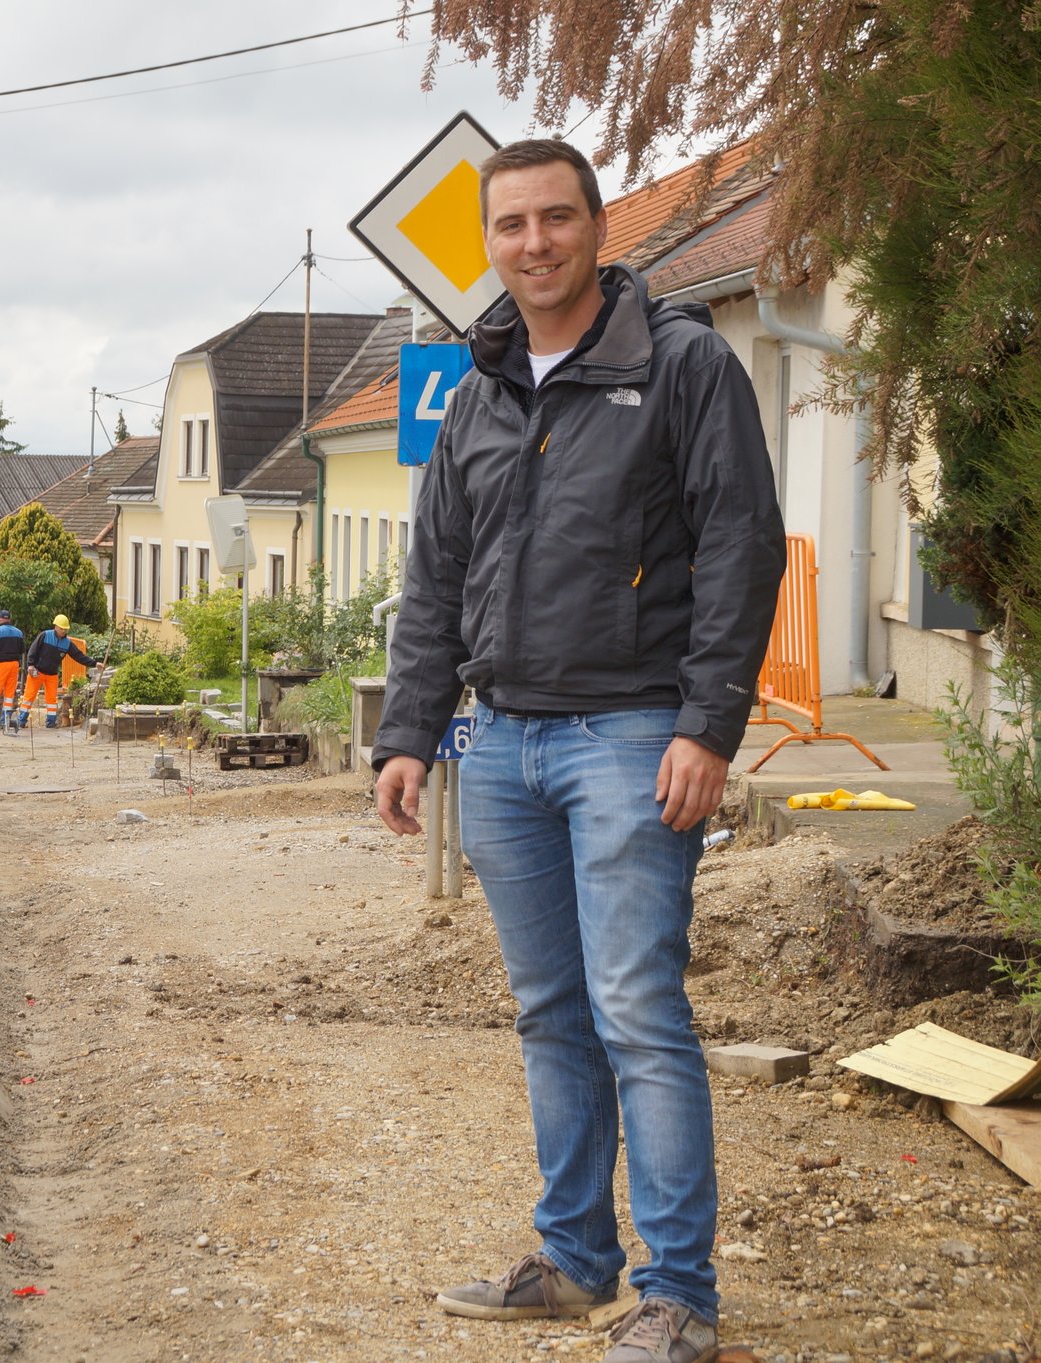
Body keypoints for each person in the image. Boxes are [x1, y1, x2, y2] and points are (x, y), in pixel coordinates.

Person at [370, 138, 785, 1363]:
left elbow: (739, 548)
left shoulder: (680, 364)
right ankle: (571, 1261)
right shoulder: (478, 387)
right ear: (488, 243)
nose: (534, 243)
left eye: (557, 219)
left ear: (598, 229)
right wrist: (407, 731)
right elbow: (434, 571)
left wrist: (707, 725)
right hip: (498, 743)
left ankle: (677, 1297)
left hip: (628, 735)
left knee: (636, 1010)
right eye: (511, 226)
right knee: (551, 1013)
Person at [13, 614, 93, 730]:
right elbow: (33, 650)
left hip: (52, 674)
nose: (63, 631)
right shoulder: (45, 636)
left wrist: (95, 663)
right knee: (29, 697)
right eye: (61, 628)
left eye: (65, 629)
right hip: (37, 672)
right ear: (55, 626)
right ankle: (21, 721)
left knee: (51, 700)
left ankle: (51, 722)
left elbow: (79, 656)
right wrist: (30, 665)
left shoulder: (67, 643)